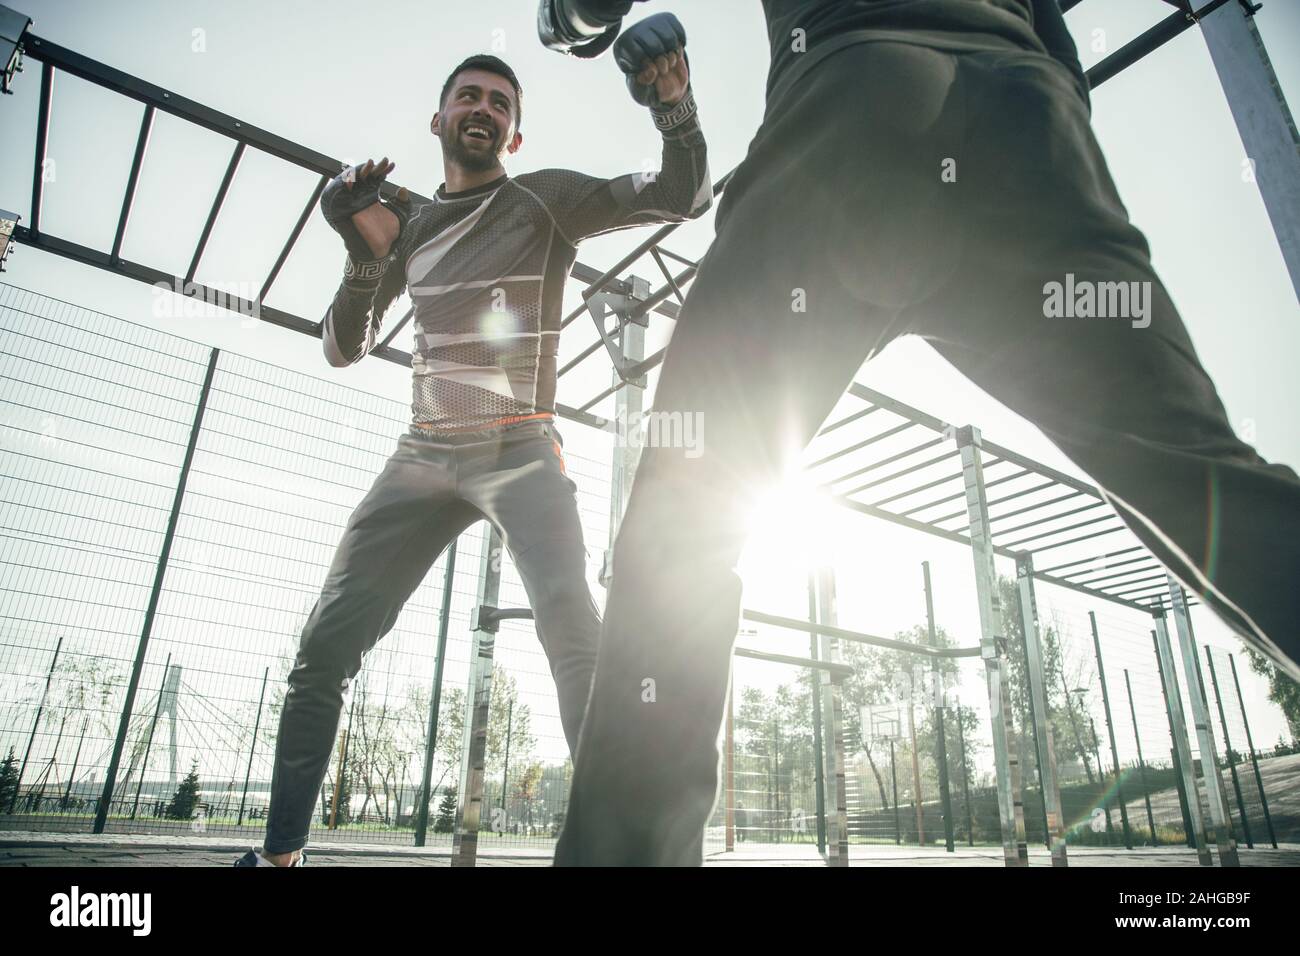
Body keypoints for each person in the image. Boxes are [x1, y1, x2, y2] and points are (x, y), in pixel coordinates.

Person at [541, 0, 1300, 865]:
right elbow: (1055, 38)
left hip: (857, 101)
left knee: (683, 526)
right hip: (1035, 121)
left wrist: (571, 20)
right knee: (1202, 472)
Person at [235, 33, 711, 867]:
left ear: (515, 136)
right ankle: (278, 858)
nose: (484, 109)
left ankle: (624, 855)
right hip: (420, 455)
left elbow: (685, 193)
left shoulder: (543, 200)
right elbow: (342, 348)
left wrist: (674, 104)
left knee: (574, 632)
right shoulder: (410, 225)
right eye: (471, 97)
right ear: (439, 118)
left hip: (521, 446)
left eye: (500, 104)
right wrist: (359, 251)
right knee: (322, 654)